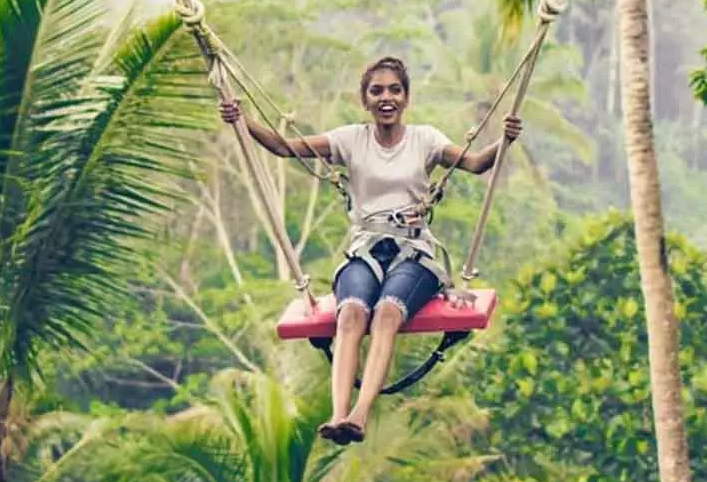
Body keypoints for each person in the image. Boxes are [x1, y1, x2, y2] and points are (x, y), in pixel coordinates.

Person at [220, 56, 522, 445]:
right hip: (365, 249)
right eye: (376, 90)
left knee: (386, 314)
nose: (386, 98)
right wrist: (242, 121)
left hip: (413, 252)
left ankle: (359, 415)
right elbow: (284, 148)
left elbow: (478, 164)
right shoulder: (350, 140)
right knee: (349, 316)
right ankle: (338, 414)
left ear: (406, 97)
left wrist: (505, 140)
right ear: (364, 99)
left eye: (394, 90)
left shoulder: (425, 140)